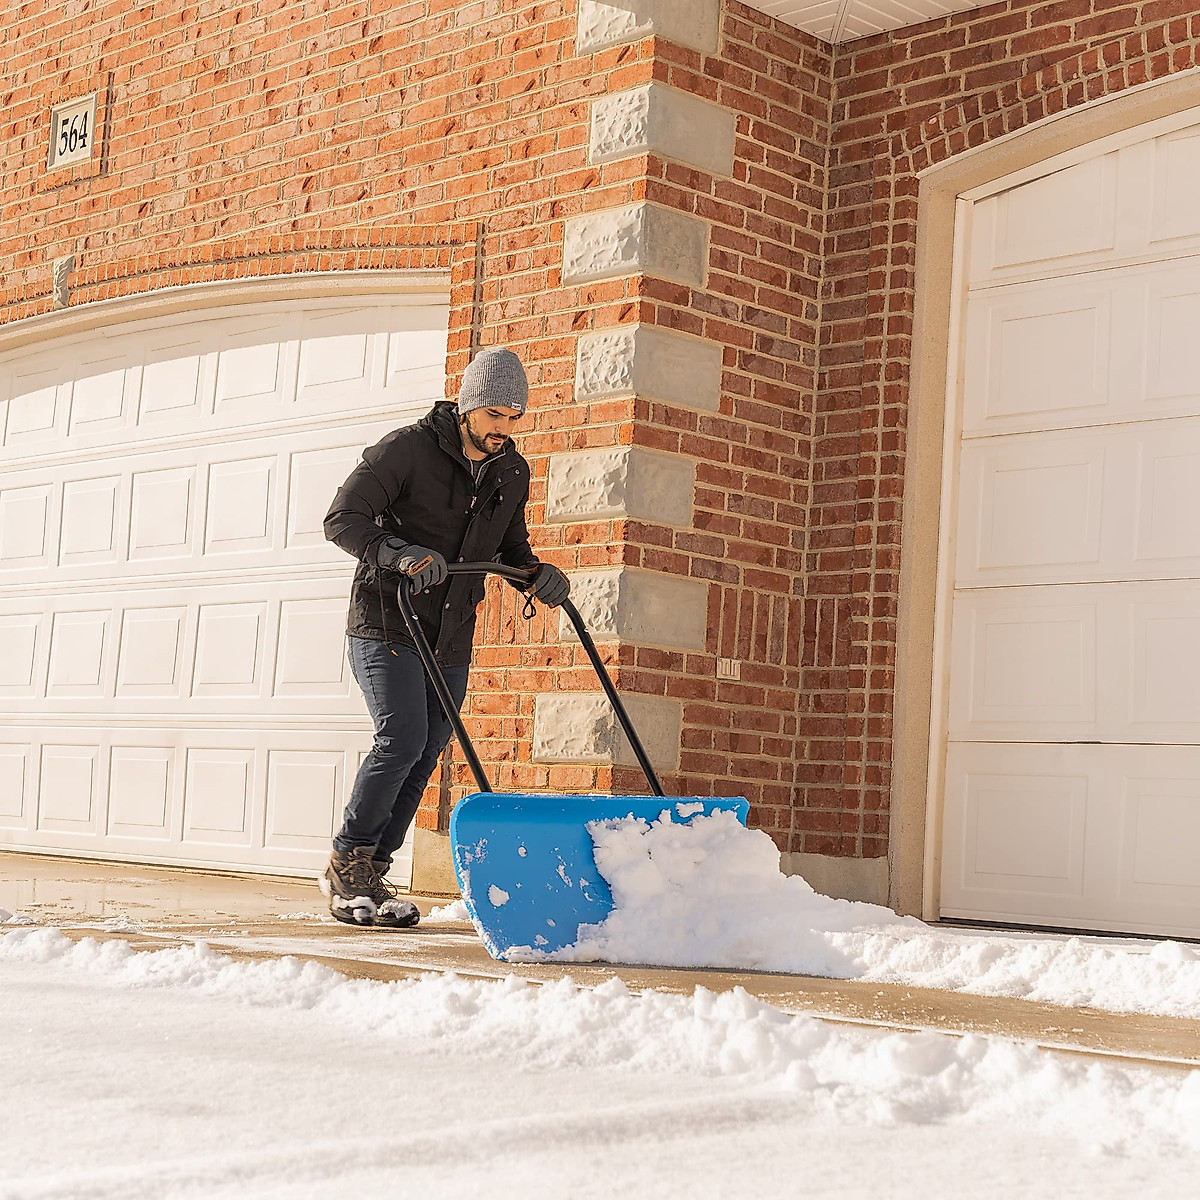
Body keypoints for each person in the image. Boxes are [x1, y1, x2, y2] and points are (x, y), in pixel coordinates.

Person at [320, 347, 570, 926]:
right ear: (467, 408)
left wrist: (536, 575)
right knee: (402, 737)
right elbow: (343, 520)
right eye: (493, 416)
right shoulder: (406, 449)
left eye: (514, 418)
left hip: (451, 632)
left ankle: (373, 871)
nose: (504, 430)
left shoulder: (511, 472)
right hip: (388, 619)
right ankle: (346, 863)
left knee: (429, 744)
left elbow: (510, 550)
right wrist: (399, 554)